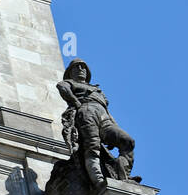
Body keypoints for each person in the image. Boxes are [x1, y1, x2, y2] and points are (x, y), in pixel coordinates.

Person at [56, 58, 135, 188]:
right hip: (86, 111)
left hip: (104, 116)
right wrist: (77, 103)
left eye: (83, 67)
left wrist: (113, 123)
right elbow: (62, 87)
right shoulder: (69, 82)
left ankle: (123, 174)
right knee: (92, 145)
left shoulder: (96, 89)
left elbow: (106, 109)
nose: (81, 69)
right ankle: (97, 180)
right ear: (70, 72)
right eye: (77, 67)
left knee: (127, 141)